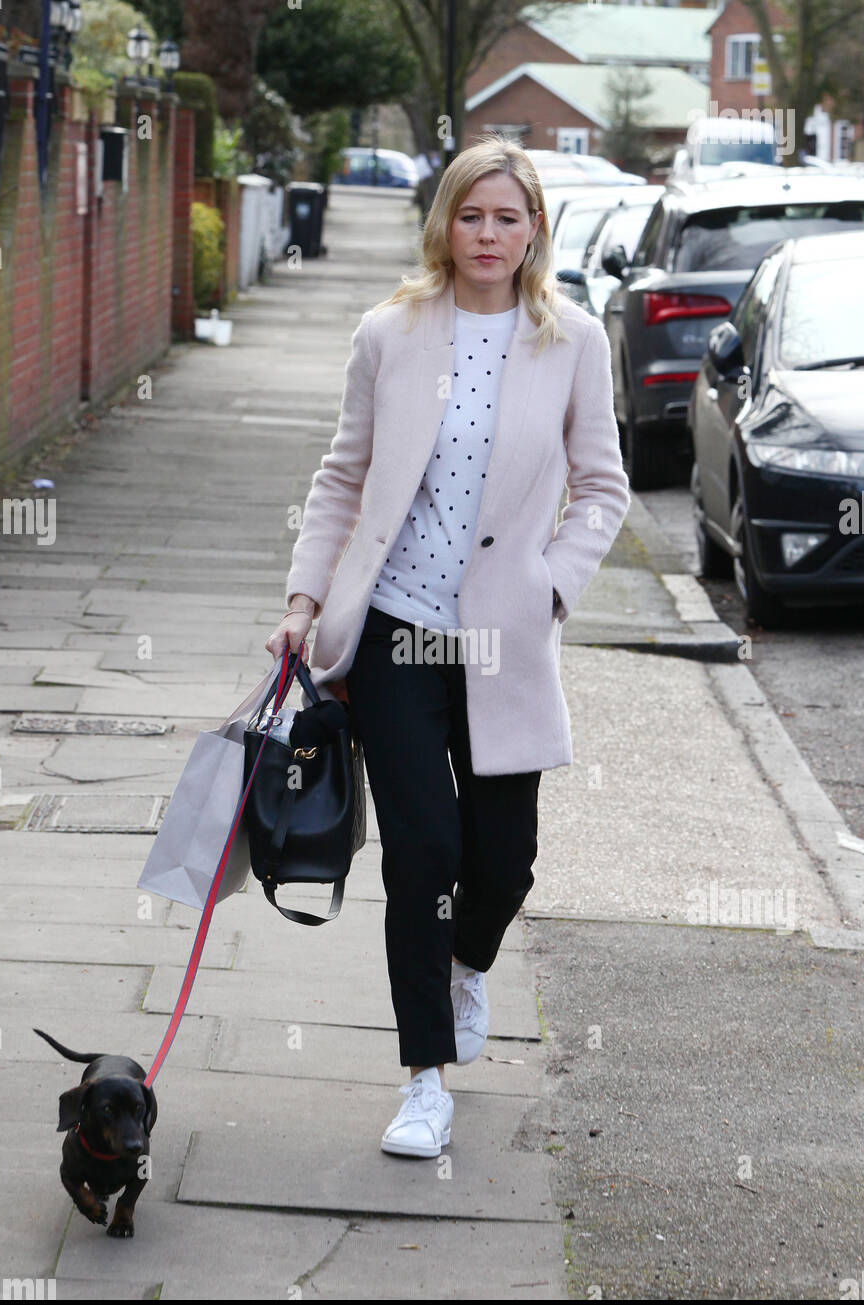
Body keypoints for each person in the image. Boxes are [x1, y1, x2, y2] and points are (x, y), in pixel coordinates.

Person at [267, 135, 630, 1159]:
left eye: (506, 217)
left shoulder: (571, 340)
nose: (487, 234)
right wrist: (305, 600)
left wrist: (550, 585)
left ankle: (469, 966)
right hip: (394, 626)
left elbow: (601, 489)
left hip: (502, 637)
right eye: (470, 215)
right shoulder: (392, 332)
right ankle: (423, 1077)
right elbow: (342, 476)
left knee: (501, 860)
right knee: (422, 851)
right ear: (444, 223)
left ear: (533, 230)